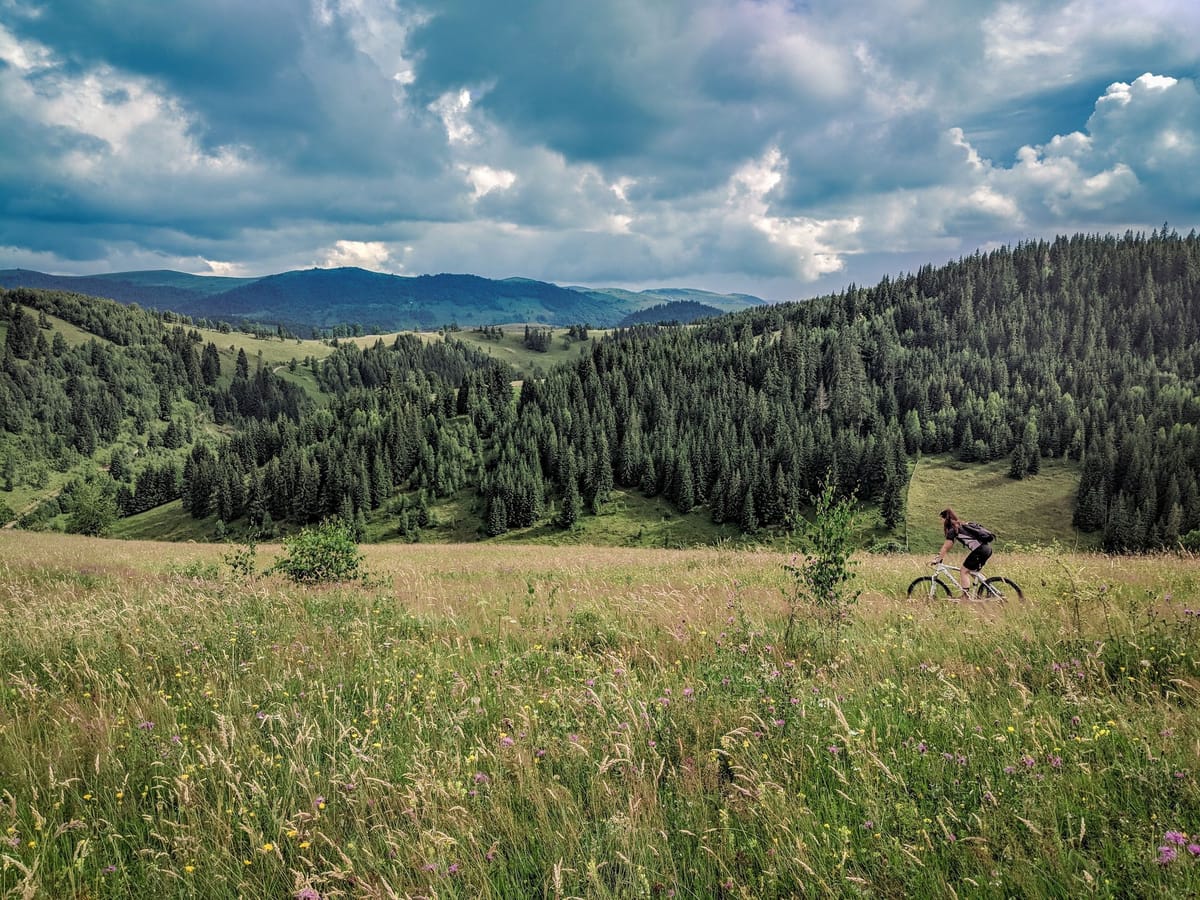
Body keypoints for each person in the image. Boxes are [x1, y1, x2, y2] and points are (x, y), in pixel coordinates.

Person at [933, 507, 992, 597]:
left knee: (963, 571)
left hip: (979, 550)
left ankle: (965, 597)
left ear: (946, 519)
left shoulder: (953, 530)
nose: (940, 522)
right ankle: (990, 589)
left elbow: (946, 547)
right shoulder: (961, 525)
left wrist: (938, 559)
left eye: (941, 519)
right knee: (973, 572)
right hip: (987, 549)